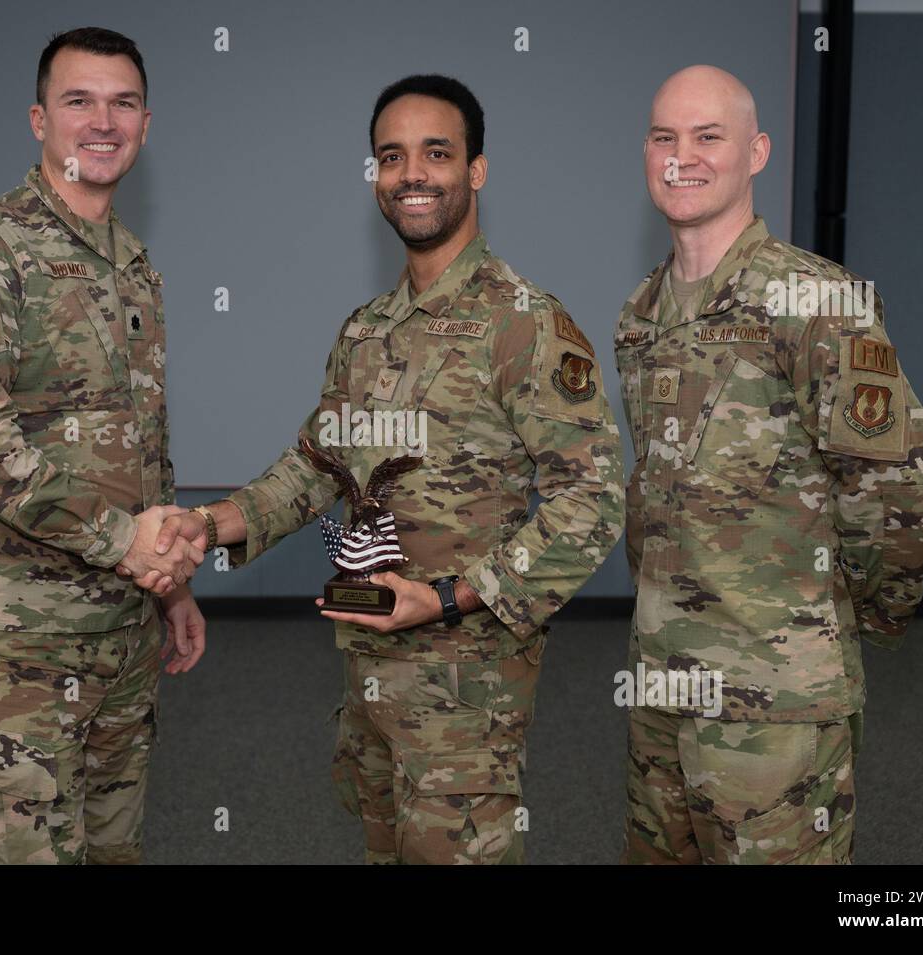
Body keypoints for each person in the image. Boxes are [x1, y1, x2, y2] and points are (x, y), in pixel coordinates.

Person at [141, 74, 625, 864]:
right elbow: (312, 470)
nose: (411, 175)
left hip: (465, 693)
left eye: (437, 153)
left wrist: (446, 598)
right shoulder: (366, 332)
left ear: (476, 170)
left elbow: (592, 502)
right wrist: (206, 525)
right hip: (368, 676)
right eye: (390, 156)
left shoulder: (525, 324)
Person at [613, 65, 923, 864]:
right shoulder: (641, 313)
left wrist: (860, 615)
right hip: (662, 683)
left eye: (708, 136)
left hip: (776, 702)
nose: (681, 155)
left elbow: (899, 479)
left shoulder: (816, 300)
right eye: (664, 136)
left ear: (756, 152)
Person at [0, 26, 206, 864]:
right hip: (20, 646)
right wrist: (124, 544)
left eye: (123, 103)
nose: (102, 121)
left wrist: (168, 584)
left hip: (122, 632)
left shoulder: (135, 267)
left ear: (146, 123)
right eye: (80, 101)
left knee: (114, 850)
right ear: (40, 120)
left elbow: (144, 442)